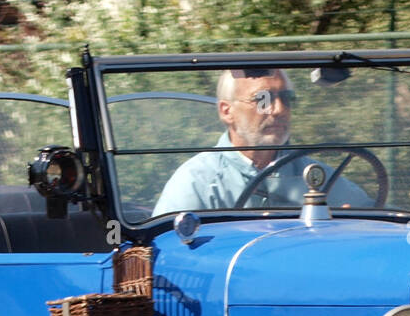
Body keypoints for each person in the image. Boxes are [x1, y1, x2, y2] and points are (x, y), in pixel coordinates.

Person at [152, 68, 375, 216]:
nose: (278, 110)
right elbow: (169, 255)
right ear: (227, 111)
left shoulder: (314, 175)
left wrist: (354, 221)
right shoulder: (197, 181)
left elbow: (375, 215)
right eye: (263, 99)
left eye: (286, 99)